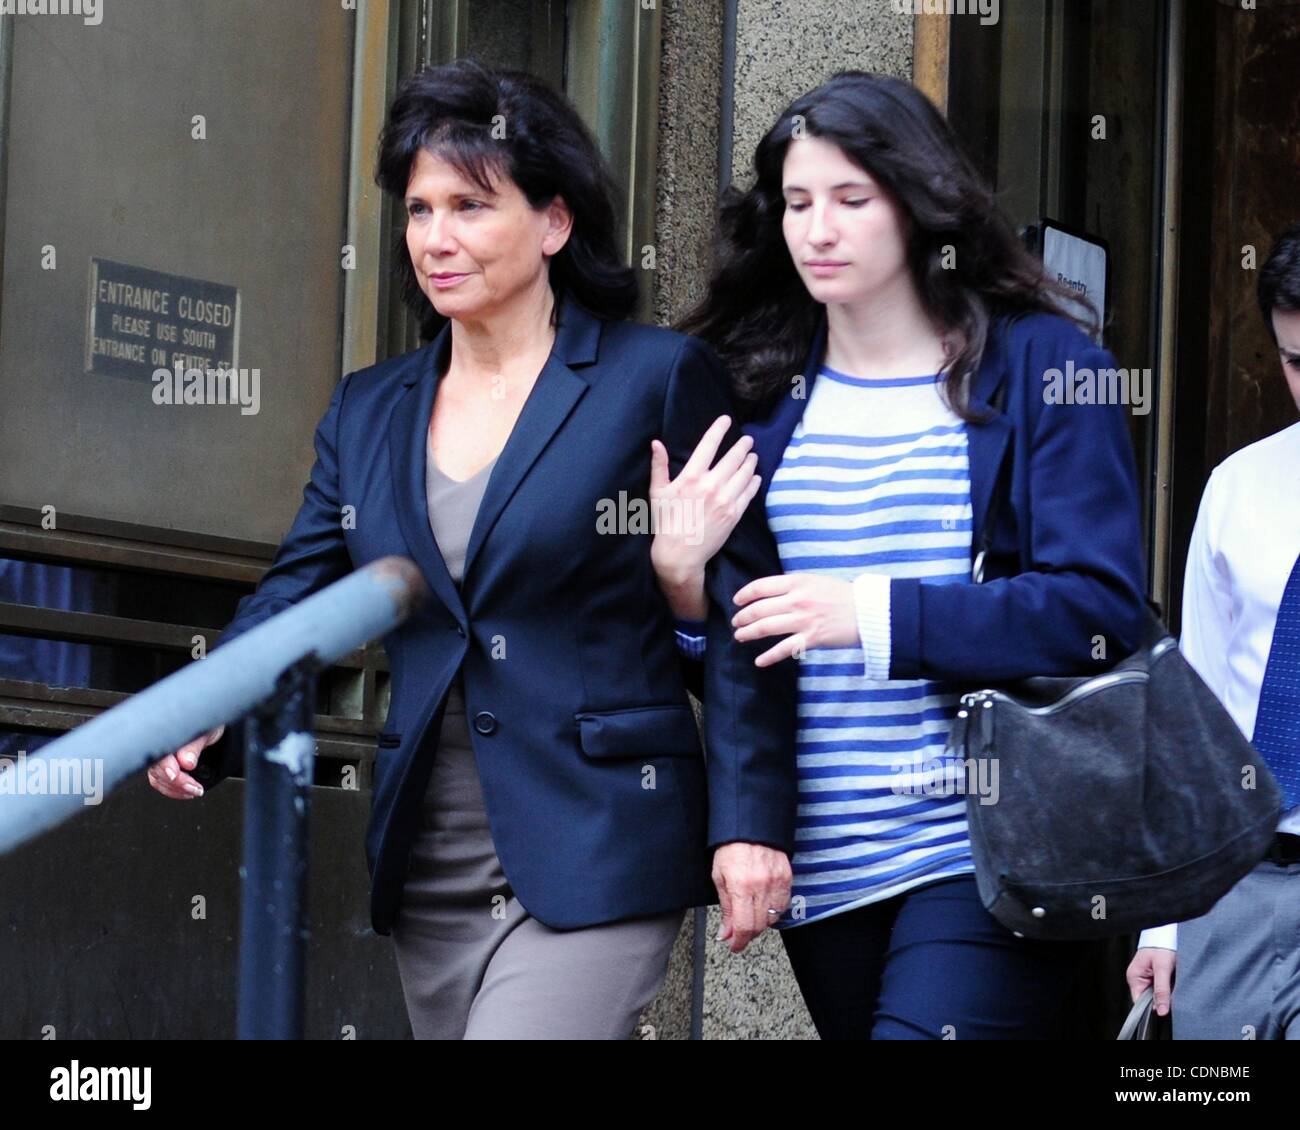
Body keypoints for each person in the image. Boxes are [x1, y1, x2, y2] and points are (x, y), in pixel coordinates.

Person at [145, 58, 798, 1039]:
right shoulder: (371, 408)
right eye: (418, 211)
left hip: (597, 833)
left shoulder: (653, 379)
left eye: (469, 206)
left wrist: (749, 822)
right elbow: (299, 589)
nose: (435, 239)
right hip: (432, 853)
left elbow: (751, 612)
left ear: (554, 221)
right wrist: (204, 699)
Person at [650, 71, 1148, 1039]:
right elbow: (734, 660)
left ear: (921, 205)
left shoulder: (1044, 366)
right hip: (823, 862)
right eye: (796, 202)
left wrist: (870, 612)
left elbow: (1097, 608)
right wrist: (679, 588)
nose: (816, 229)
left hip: (986, 845)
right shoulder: (756, 397)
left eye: (850, 198)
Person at [1126, 222, 1300, 1039]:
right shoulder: (1238, 490)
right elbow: (1190, 712)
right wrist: (1161, 920)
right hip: (1235, 882)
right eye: (1297, 362)